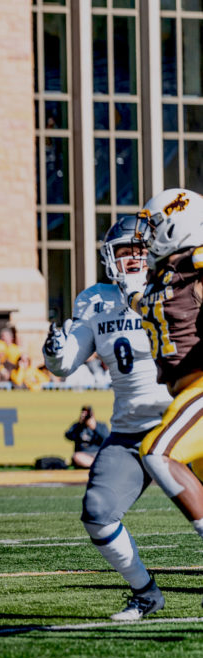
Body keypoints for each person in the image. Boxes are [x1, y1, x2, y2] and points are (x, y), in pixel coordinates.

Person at [44, 214, 173, 620]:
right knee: (98, 511)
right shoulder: (95, 300)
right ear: (108, 257)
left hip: (183, 419)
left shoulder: (173, 288)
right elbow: (67, 363)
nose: (133, 258)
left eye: (139, 250)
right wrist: (54, 351)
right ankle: (146, 593)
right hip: (132, 428)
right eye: (124, 251)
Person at [127, 189, 203, 598]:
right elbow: (149, 306)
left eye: (154, 227)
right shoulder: (165, 275)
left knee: (158, 452)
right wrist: (130, 292)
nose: (147, 236)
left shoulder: (196, 264)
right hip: (185, 391)